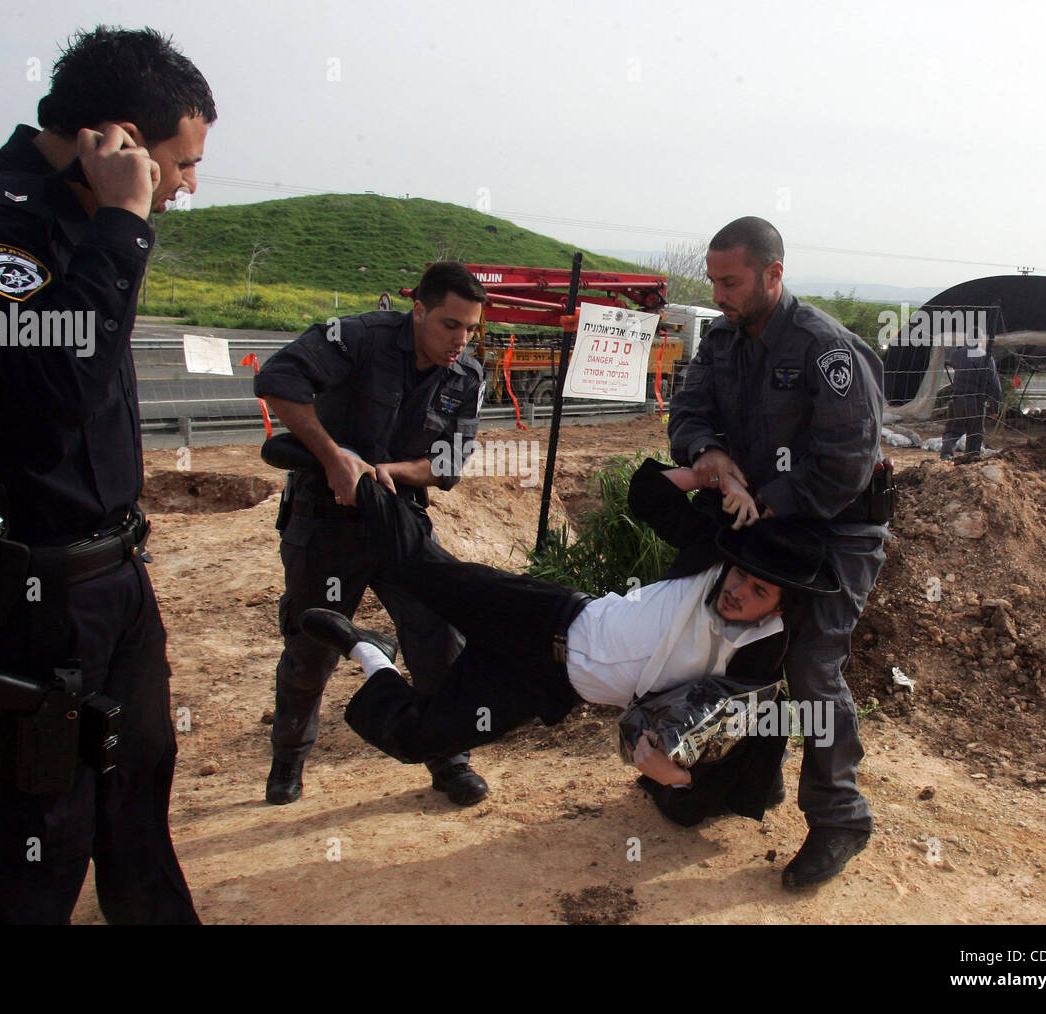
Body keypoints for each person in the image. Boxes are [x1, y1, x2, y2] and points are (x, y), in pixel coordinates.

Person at [0, 26, 213, 924]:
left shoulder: (85, 218)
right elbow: (56, 383)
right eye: (179, 163)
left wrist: (113, 222)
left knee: (140, 802)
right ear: (116, 142)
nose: (188, 185)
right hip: (29, 586)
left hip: (115, 575)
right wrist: (121, 222)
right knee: (46, 828)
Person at [299, 458, 838, 823]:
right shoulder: (713, 558)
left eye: (758, 589)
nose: (738, 590)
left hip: (542, 681)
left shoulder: (762, 654)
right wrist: (702, 474)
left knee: (419, 740)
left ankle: (367, 651)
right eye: (741, 575)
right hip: (540, 612)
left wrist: (673, 775)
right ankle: (356, 473)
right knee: (416, 566)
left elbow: (729, 727)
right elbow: (648, 494)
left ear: (782, 606)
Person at [668, 216, 888, 889]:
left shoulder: (827, 349)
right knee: (715, 640)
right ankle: (724, 783)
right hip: (756, 514)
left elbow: (845, 464)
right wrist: (707, 455)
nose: (721, 294)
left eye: (731, 281)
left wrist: (762, 500)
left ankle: (840, 820)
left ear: (773, 274)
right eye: (714, 281)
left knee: (812, 667)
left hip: (836, 527)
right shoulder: (724, 341)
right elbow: (688, 411)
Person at [254, 262, 492, 806]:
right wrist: (334, 458)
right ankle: (288, 759)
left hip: (399, 521)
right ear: (419, 311)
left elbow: (449, 464)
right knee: (311, 646)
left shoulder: (467, 378)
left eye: (471, 329)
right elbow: (277, 381)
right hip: (325, 523)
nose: (460, 340)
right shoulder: (357, 337)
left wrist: (388, 473)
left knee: (438, 635)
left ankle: (448, 755)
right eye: (449, 325)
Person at [941, 338, 1002, 459]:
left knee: (952, 430)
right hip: (976, 401)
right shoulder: (986, 357)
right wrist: (995, 408)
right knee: (975, 433)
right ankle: (970, 459)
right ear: (980, 341)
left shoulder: (958, 353)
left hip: (957, 399)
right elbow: (994, 385)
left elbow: (952, 362)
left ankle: (946, 457)